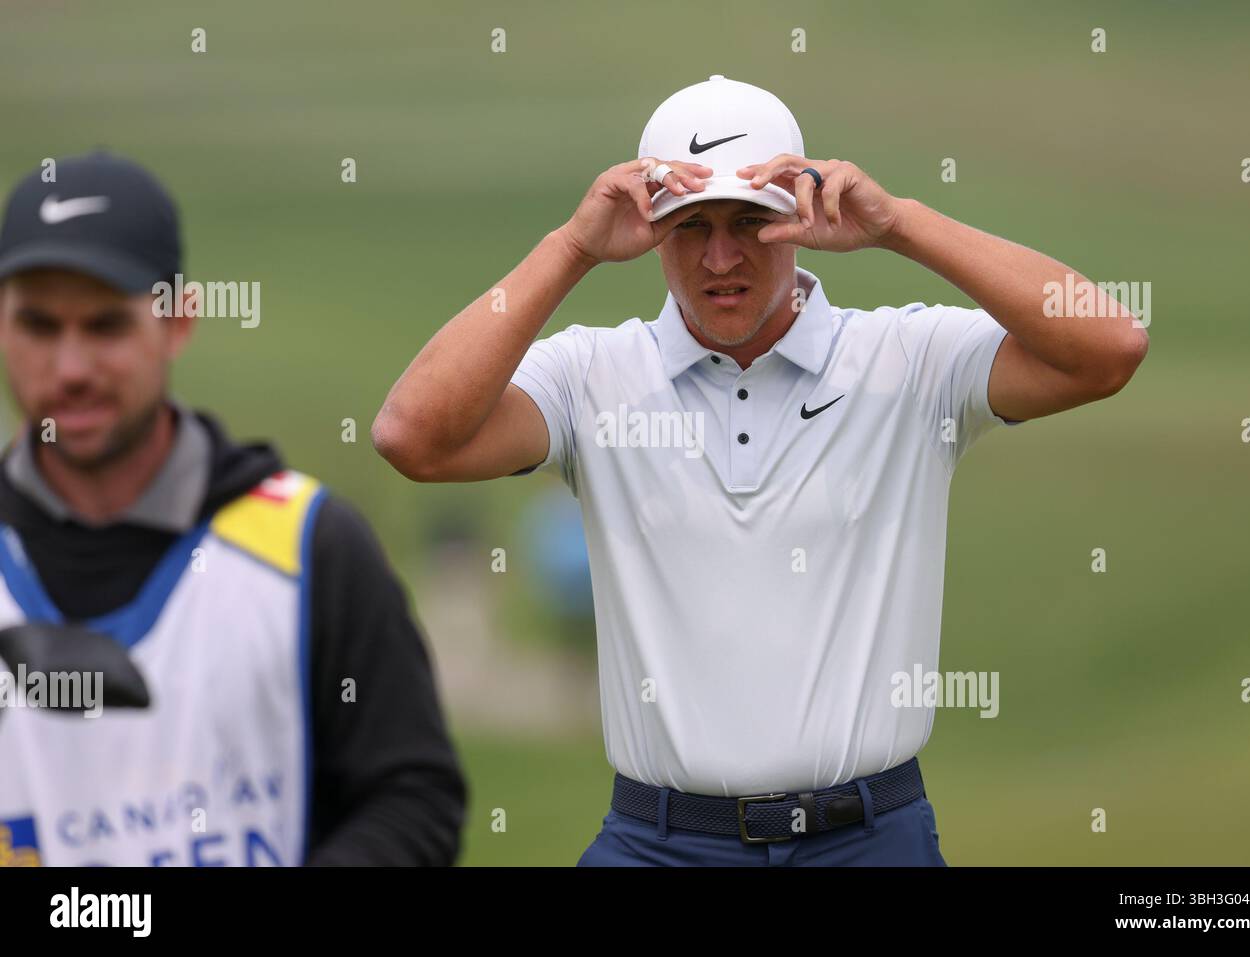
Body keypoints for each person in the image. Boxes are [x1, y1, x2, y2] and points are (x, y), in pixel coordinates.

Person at [372, 75, 1147, 866]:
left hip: (870, 841)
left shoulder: (907, 361)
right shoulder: (591, 375)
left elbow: (1109, 347)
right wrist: (571, 247)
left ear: (798, 216)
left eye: (750, 220)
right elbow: (413, 435)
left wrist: (901, 225)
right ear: (649, 229)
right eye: (689, 225)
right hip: (658, 844)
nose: (720, 257)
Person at [0, 151, 465, 866]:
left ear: (178, 322)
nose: (70, 368)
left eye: (105, 327)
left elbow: (414, 796)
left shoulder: (308, 545)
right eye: (38, 326)